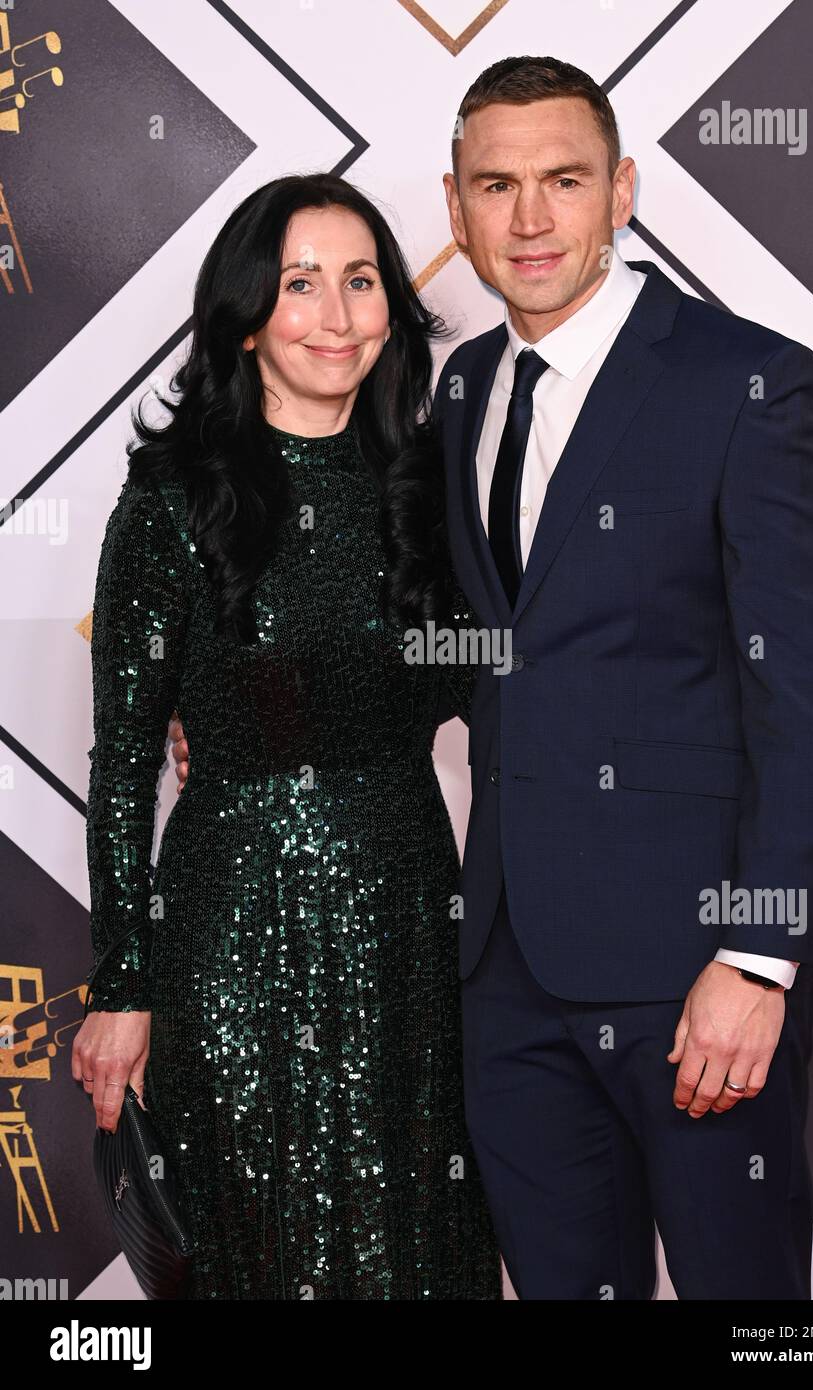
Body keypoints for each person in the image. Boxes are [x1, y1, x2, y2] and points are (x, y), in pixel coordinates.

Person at [432, 56, 813, 1299]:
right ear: (452, 205)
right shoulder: (464, 390)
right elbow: (483, 646)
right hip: (507, 967)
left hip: (695, 971)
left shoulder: (747, 380)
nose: (528, 220)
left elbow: (810, 693)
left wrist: (760, 958)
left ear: (621, 189)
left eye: (562, 181)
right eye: (495, 185)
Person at [73, 173, 503, 1301]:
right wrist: (123, 981)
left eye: (360, 281)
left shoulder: (430, 483)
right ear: (249, 313)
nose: (337, 313)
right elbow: (122, 758)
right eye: (300, 283)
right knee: (256, 1228)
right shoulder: (174, 496)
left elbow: (493, 687)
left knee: (413, 1228)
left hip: (411, 912)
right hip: (231, 922)